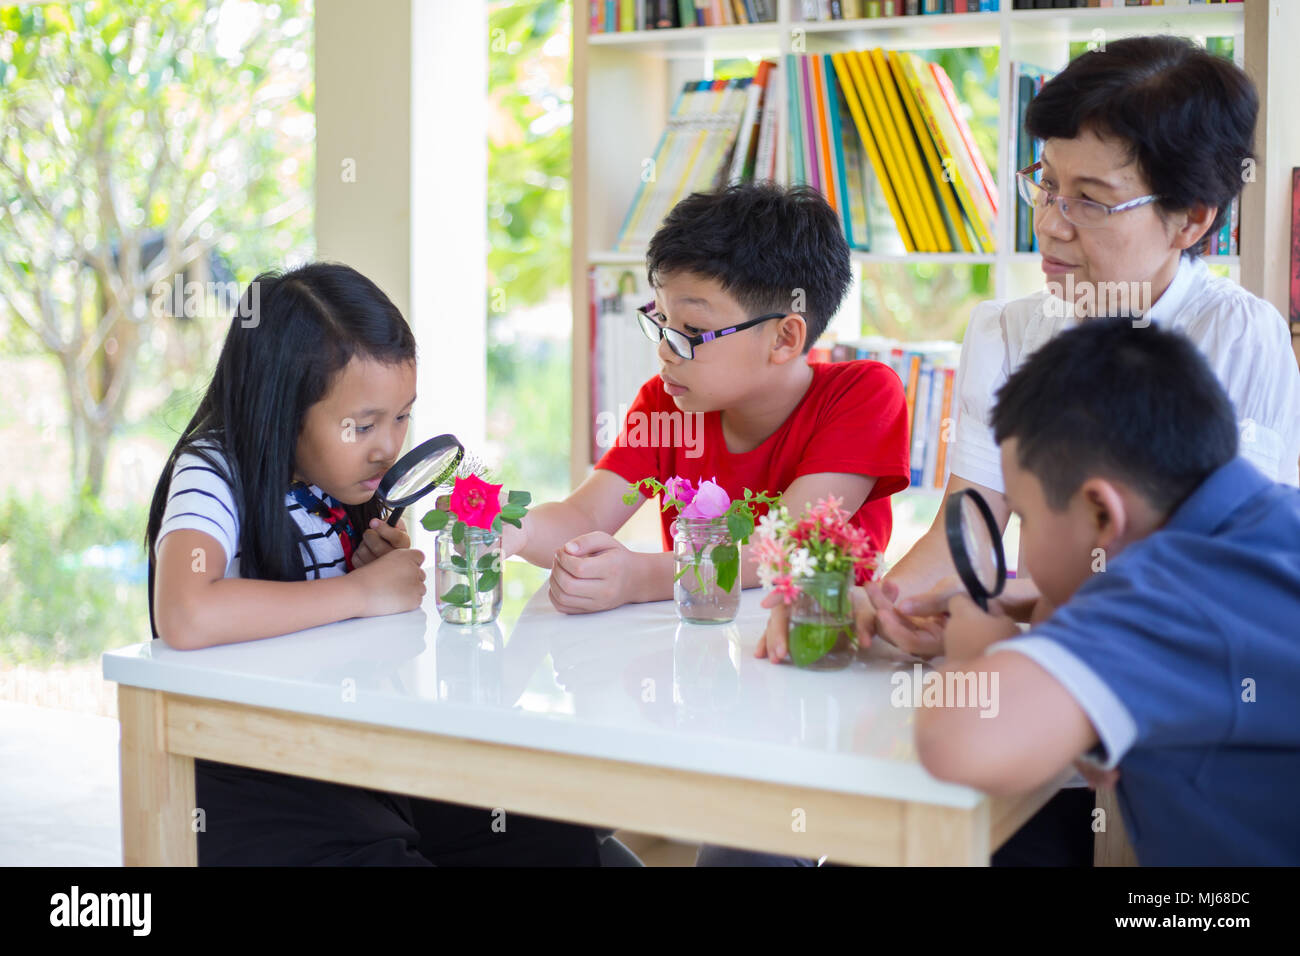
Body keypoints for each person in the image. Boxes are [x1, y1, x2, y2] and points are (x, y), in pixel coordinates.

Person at [753, 34, 1300, 867]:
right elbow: (970, 527)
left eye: (1091, 198)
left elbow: (1201, 575)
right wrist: (879, 602)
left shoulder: (1239, 336)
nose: (1049, 223)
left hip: (1123, 715)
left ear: (1192, 219)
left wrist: (997, 625)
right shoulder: (1007, 328)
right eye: (1045, 184)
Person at [145, 262, 600, 865]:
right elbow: (184, 612)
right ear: (282, 407)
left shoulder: (347, 487)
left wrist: (377, 591)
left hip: (360, 764)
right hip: (258, 780)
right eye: (361, 425)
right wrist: (359, 594)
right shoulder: (215, 469)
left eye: (402, 416)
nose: (387, 446)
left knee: (550, 833)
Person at [916, 318, 1300, 866]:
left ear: (1101, 512)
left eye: (1024, 516)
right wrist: (1023, 602)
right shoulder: (1261, 526)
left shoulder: (1173, 592)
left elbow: (958, 743)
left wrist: (982, 649)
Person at [504, 183, 911, 614]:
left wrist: (639, 577)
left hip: (820, 650)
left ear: (784, 337)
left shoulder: (862, 394)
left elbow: (780, 546)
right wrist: (515, 527)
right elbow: (582, 519)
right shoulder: (665, 404)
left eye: (693, 330)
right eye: (661, 320)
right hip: (702, 652)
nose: (664, 348)